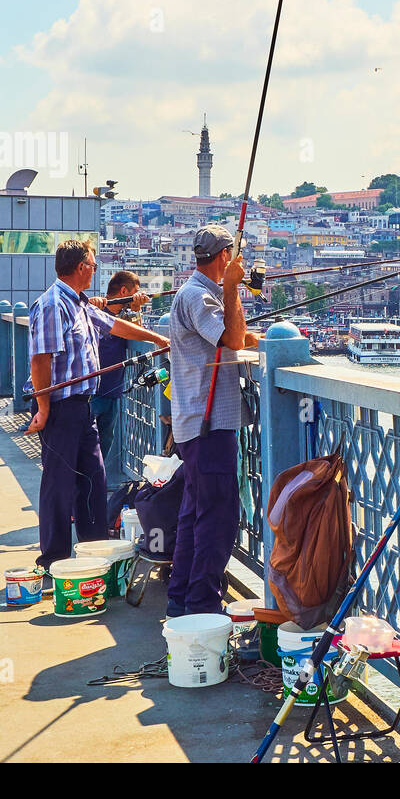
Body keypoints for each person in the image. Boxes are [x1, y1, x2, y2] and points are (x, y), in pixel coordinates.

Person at [24, 240, 169, 575]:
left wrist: (155, 338)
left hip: (84, 407)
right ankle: (53, 560)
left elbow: (113, 325)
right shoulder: (52, 304)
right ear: (80, 267)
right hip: (61, 408)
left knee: (93, 479)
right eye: (92, 264)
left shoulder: (80, 303)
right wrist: (43, 408)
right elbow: (40, 360)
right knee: (59, 484)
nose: (94, 270)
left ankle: (93, 551)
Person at [166, 225, 258, 617]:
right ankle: (202, 605)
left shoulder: (196, 294)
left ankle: (181, 599)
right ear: (223, 257)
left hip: (195, 425)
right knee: (218, 518)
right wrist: (234, 288)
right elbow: (233, 341)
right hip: (208, 427)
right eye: (232, 257)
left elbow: (235, 336)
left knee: (194, 513)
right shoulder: (200, 296)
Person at [91, 271, 147, 496]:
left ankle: (95, 492)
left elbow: (139, 335)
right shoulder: (95, 312)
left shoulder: (124, 317)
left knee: (104, 445)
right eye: (133, 293)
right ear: (123, 291)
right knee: (86, 447)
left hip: (112, 392)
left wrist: (137, 310)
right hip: (91, 392)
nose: (136, 296)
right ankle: (79, 497)